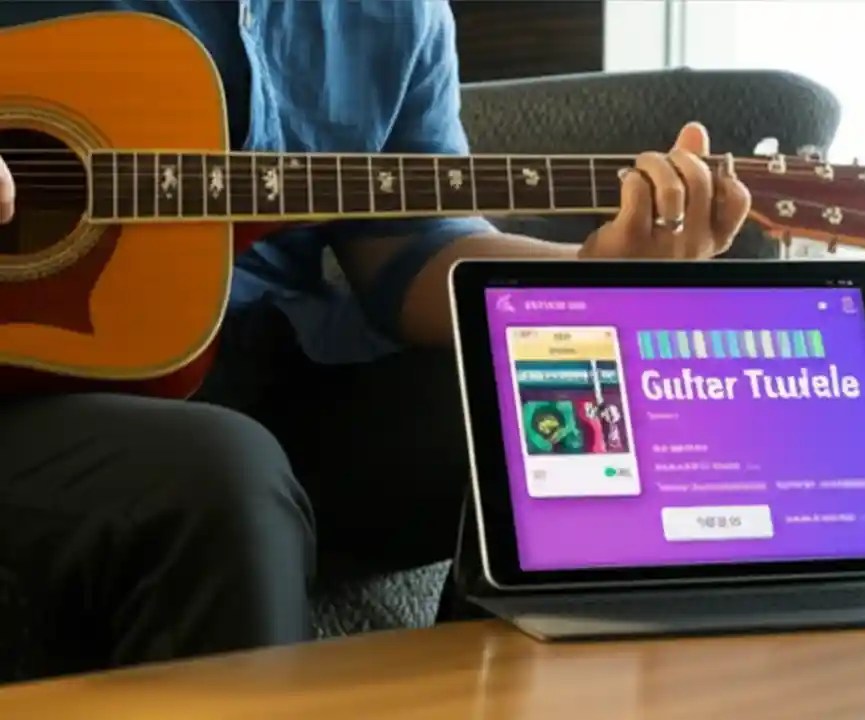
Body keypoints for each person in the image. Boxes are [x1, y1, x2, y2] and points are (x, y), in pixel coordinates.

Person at [0, 1, 750, 678]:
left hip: (274, 367)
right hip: (43, 395)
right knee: (221, 473)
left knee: (547, 413)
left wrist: (592, 274)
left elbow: (412, 252)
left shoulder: (395, 13)